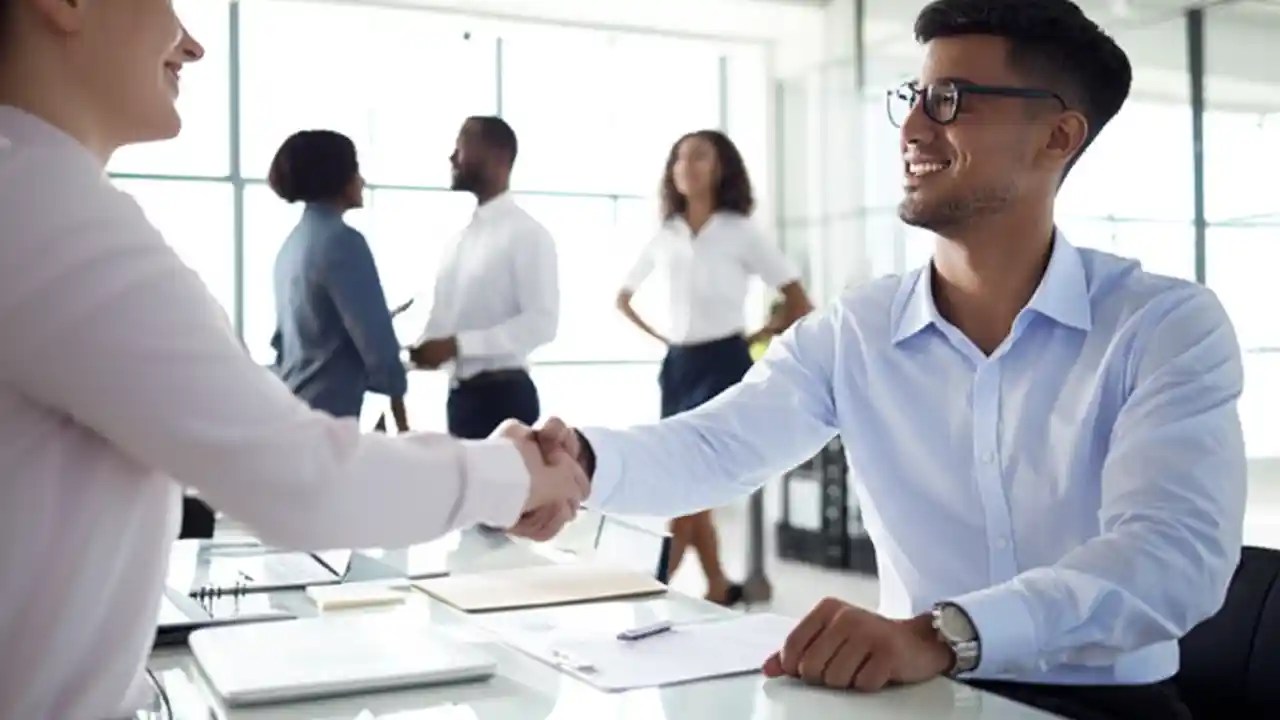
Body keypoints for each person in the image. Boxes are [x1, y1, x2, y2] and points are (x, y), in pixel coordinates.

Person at [508, 1, 1246, 718]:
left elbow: (1170, 554)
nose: (914, 128)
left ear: (1056, 136)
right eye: (914, 98)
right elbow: (718, 444)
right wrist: (579, 463)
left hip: (1105, 703)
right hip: (918, 701)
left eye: (952, 100)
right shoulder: (856, 330)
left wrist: (941, 634)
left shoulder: (1161, 326)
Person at [0, 3, 586, 718]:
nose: (193, 43)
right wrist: (517, 472)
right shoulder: (46, 208)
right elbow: (307, 477)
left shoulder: (41, 196)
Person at [616, 129, 812, 605]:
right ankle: (719, 586)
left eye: (699, 156)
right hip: (679, 364)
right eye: (679, 157)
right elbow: (622, 298)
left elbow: (800, 301)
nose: (687, 165)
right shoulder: (667, 234)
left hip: (723, 361)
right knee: (688, 482)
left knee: (691, 479)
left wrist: (759, 336)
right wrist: (665, 340)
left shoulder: (740, 230)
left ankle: (655, 583)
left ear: (721, 167)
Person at [410, 116, 558, 440]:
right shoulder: (458, 242)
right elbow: (442, 324)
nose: (452, 157)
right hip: (461, 399)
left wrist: (458, 346)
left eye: (461, 146)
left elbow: (543, 323)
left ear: (499, 155)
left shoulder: (528, 234)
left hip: (504, 398)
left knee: (510, 492)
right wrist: (409, 358)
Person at [267, 129, 410, 431]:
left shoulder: (290, 247)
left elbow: (285, 342)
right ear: (336, 176)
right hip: (328, 421)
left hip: (293, 411)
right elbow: (379, 351)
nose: (362, 181)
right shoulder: (343, 242)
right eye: (356, 170)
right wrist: (396, 378)